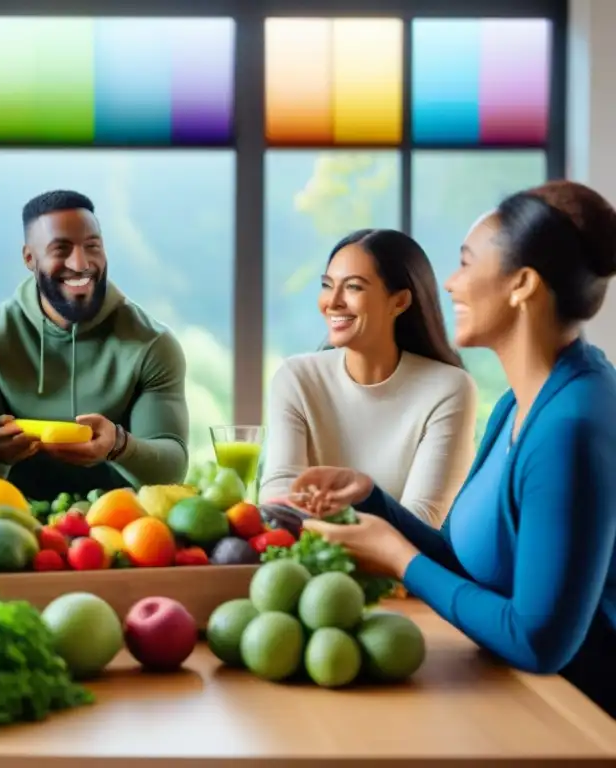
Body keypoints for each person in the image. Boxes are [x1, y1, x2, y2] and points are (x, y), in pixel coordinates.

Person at [291, 180, 616, 718]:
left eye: (467, 263)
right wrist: (375, 503)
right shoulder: (519, 402)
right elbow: (478, 569)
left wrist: (398, 557)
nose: (449, 283)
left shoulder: (571, 427)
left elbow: (538, 641)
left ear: (522, 285)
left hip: (578, 725)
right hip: (513, 701)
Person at [0, 190, 190, 501]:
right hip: (11, 526)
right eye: (61, 249)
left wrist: (120, 445)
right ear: (30, 258)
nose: (81, 263)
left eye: (92, 247)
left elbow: (173, 467)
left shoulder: (152, 344)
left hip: (121, 531)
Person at [260, 229, 478, 527]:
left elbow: (423, 521)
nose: (332, 302)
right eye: (327, 285)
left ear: (399, 302)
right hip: (307, 567)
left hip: (401, 572)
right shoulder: (296, 378)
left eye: (353, 287)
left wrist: (321, 515)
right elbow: (278, 500)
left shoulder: (448, 388)